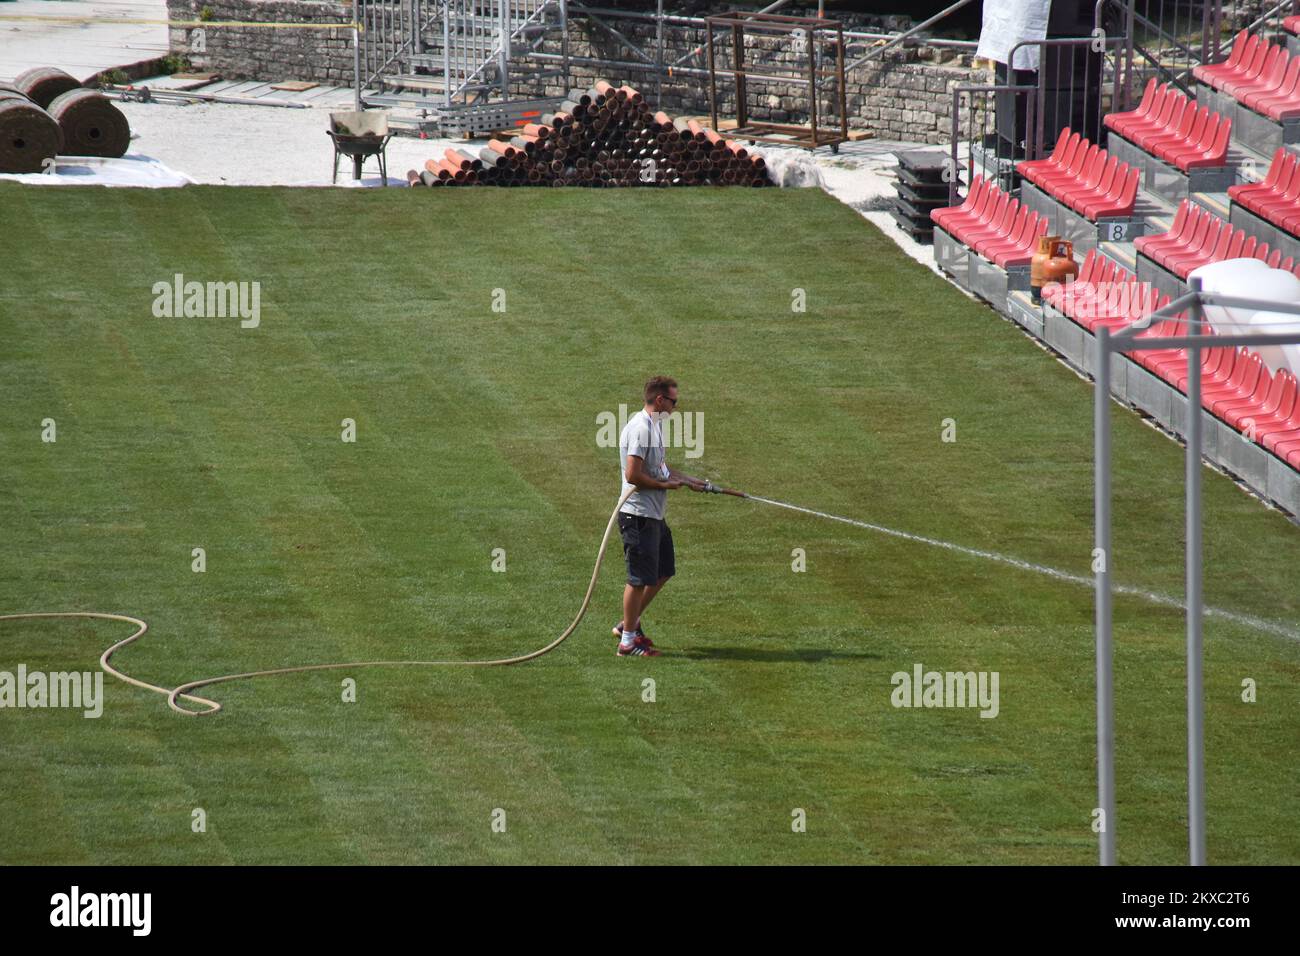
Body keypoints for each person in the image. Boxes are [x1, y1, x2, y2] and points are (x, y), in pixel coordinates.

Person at [614, 376, 706, 657]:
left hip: (654, 515)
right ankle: (627, 643)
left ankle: (628, 625)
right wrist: (665, 486)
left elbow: (661, 470)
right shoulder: (641, 429)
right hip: (638, 516)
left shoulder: (654, 427)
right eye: (674, 402)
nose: (675, 407)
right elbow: (633, 475)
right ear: (659, 400)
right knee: (638, 579)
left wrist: (691, 480)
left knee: (664, 569)